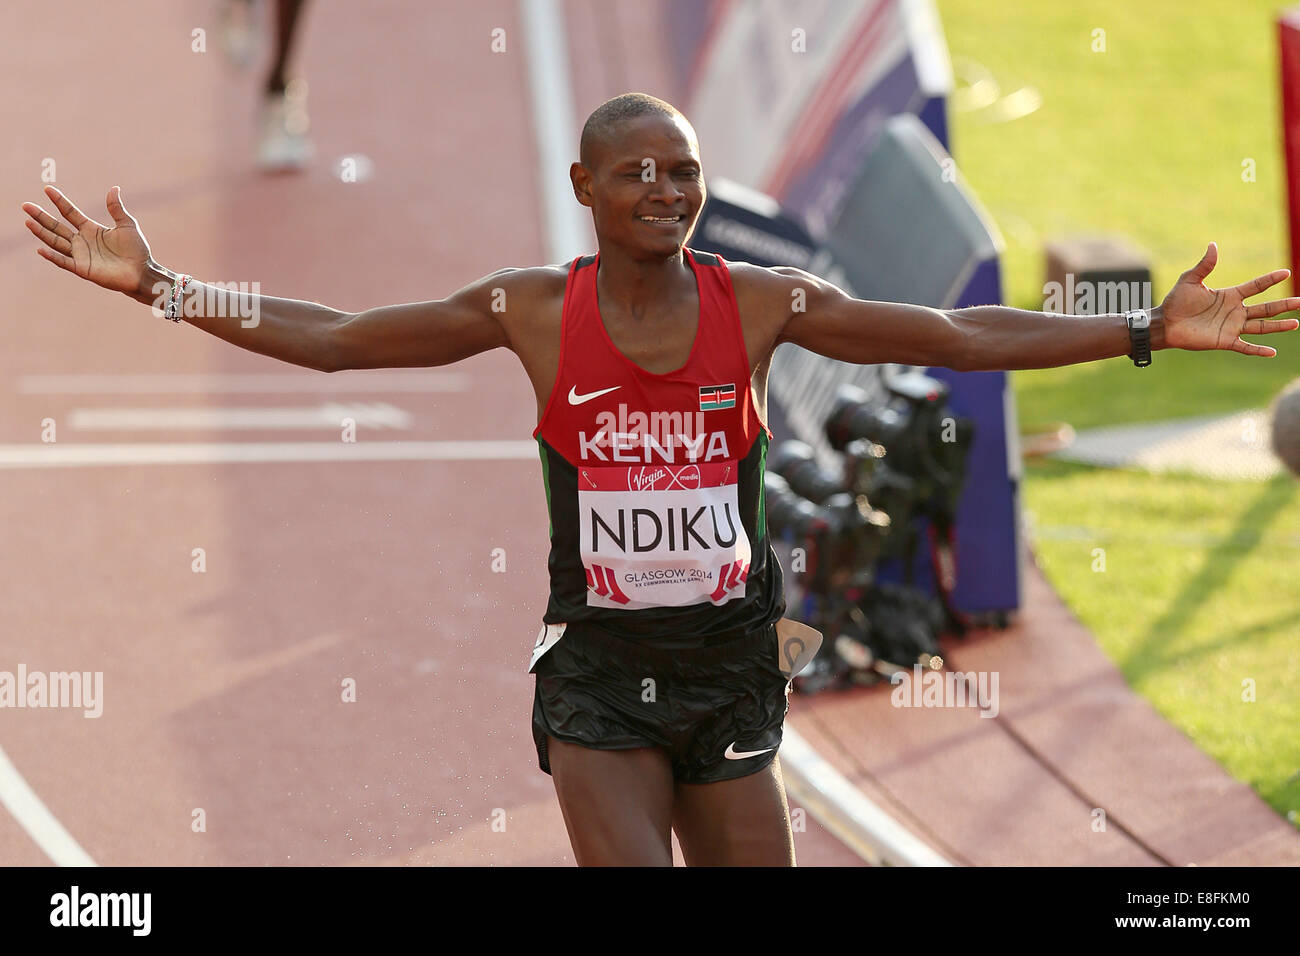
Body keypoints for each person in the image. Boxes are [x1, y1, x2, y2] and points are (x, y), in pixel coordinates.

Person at [19, 92, 1299, 867]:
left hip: (732, 659)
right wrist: (165, 287)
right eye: (634, 171)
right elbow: (343, 337)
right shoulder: (527, 310)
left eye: (682, 171)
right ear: (583, 188)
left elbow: (952, 336)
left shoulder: (759, 306)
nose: (663, 188)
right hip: (599, 678)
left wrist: (1137, 331)